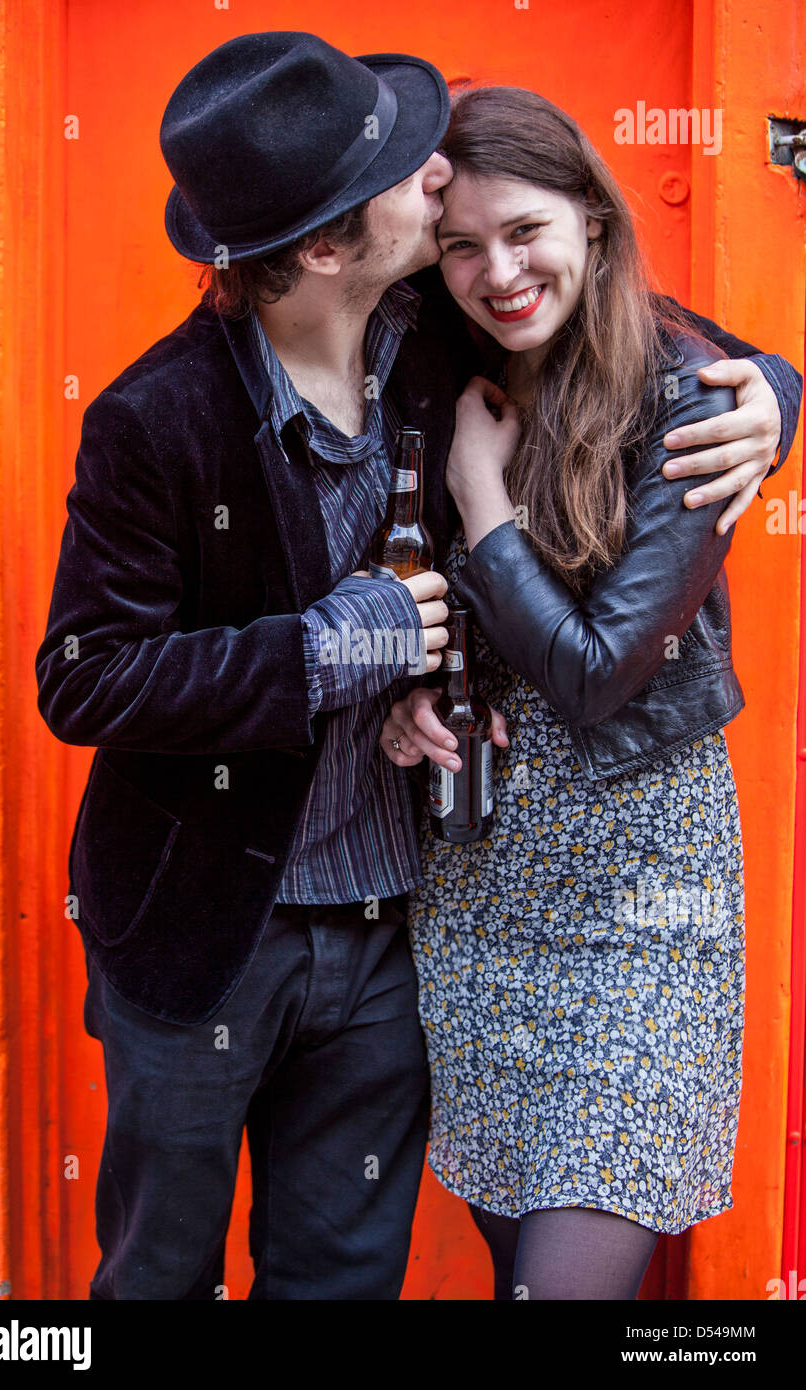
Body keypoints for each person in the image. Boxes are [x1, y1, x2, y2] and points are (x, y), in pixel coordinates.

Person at [34, 33, 800, 1300]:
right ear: (331, 243)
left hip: (395, 927)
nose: (435, 175)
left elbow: (657, 339)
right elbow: (85, 679)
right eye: (407, 174)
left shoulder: (432, 341)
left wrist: (770, 392)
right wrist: (337, 649)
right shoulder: (151, 418)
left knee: (339, 1278)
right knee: (156, 1273)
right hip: (205, 932)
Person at [380, 83, 803, 1300]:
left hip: (639, 887)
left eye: (525, 234)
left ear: (594, 225)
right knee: (519, 1250)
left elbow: (593, 675)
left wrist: (482, 497)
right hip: (481, 866)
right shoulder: (436, 360)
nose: (495, 271)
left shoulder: (683, 396)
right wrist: (399, 694)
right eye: (460, 246)